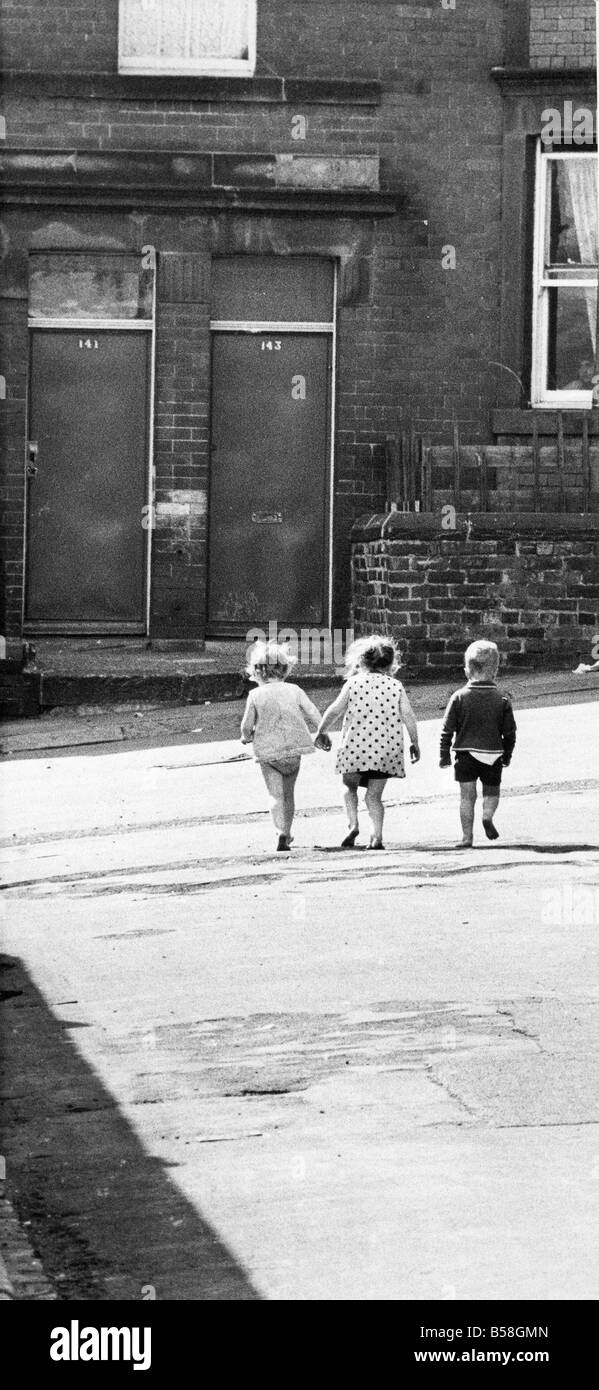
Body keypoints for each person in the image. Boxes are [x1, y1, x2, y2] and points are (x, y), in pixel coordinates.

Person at [314, 634, 419, 850]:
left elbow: (335, 709)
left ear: (360, 662)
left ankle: (352, 825)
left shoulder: (353, 683)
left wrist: (321, 730)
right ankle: (376, 836)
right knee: (374, 797)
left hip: (355, 748)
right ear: (391, 664)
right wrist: (414, 742)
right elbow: (409, 716)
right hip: (385, 751)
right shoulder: (396, 686)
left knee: (348, 786)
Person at [240, 639, 330, 852]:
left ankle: (279, 831)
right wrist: (322, 732)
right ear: (284, 668)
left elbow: (246, 724)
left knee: (275, 795)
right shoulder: (294, 690)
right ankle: (288, 832)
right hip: (294, 749)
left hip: (268, 753)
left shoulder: (255, 695)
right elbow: (313, 712)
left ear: (257, 671)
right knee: (289, 794)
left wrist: (246, 736)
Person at [439, 639, 516, 848]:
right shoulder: (502, 698)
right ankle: (488, 815)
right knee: (491, 792)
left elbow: (447, 729)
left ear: (467, 671)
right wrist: (507, 755)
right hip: (493, 753)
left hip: (465, 754)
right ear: (496, 671)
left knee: (467, 797)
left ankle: (466, 837)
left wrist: (444, 755)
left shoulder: (459, 697)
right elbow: (510, 732)